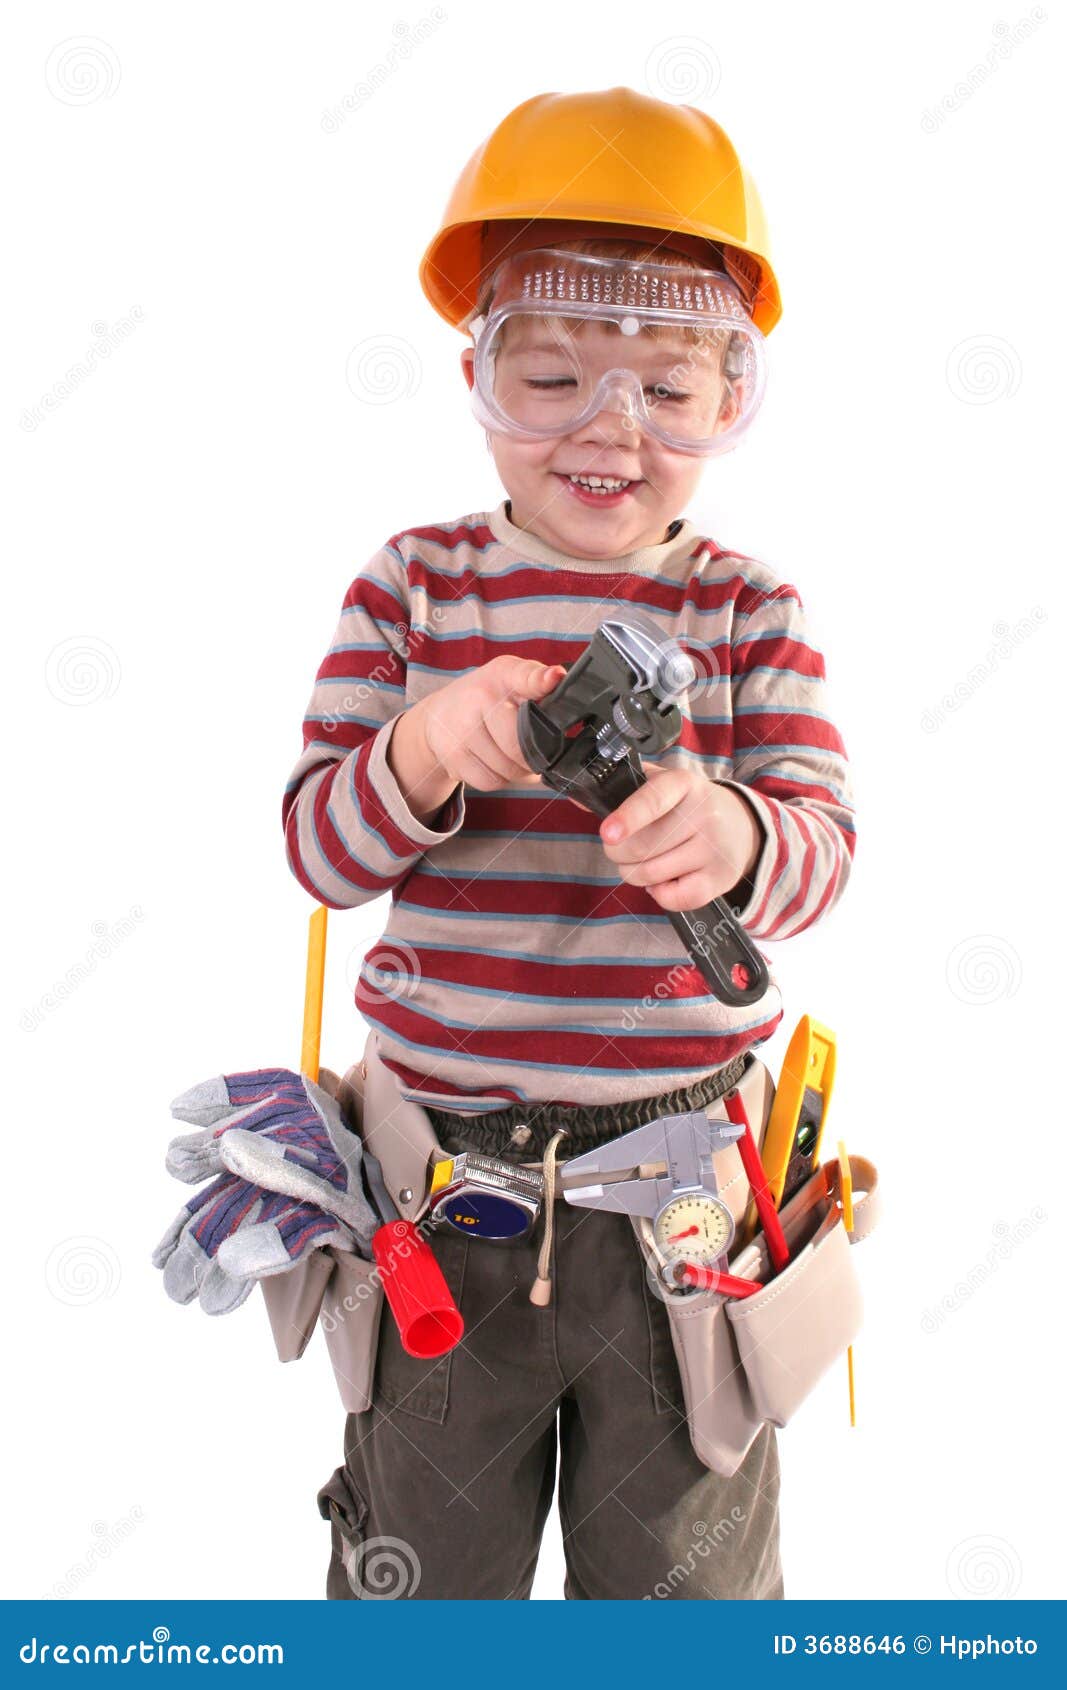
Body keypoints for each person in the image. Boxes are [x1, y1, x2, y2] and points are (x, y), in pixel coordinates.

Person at [282, 87, 856, 1600]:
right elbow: (320, 856)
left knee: (684, 1586)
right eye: (548, 374)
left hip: (680, 1211)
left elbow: (824, 850)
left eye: (673, 391)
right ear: (475, 377)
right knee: (421, 1578)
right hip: (440, 1196)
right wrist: (417, 751)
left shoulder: (746, 610)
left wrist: (735, 832)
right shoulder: (412, 591)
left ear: (736, 392)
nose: (610, 432)